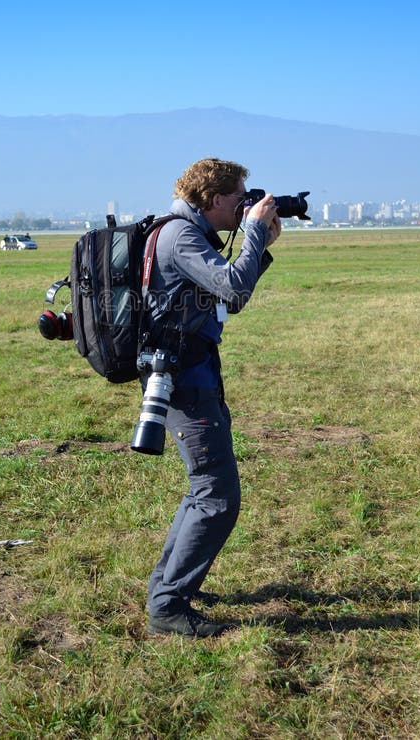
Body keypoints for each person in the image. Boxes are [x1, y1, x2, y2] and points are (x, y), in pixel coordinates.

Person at [142, 157, 281, 637]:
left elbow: (228, 299)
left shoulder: (187, 234)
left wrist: (258, 248)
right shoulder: (181, 236)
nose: (244, 204)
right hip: (185, 380)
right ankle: (167, 607)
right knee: (218, 496)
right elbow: (233, 286)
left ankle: (170, 586)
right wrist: (255, 235)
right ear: (215, 198)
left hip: (192, 372)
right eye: (239, 197)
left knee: (204, 488)